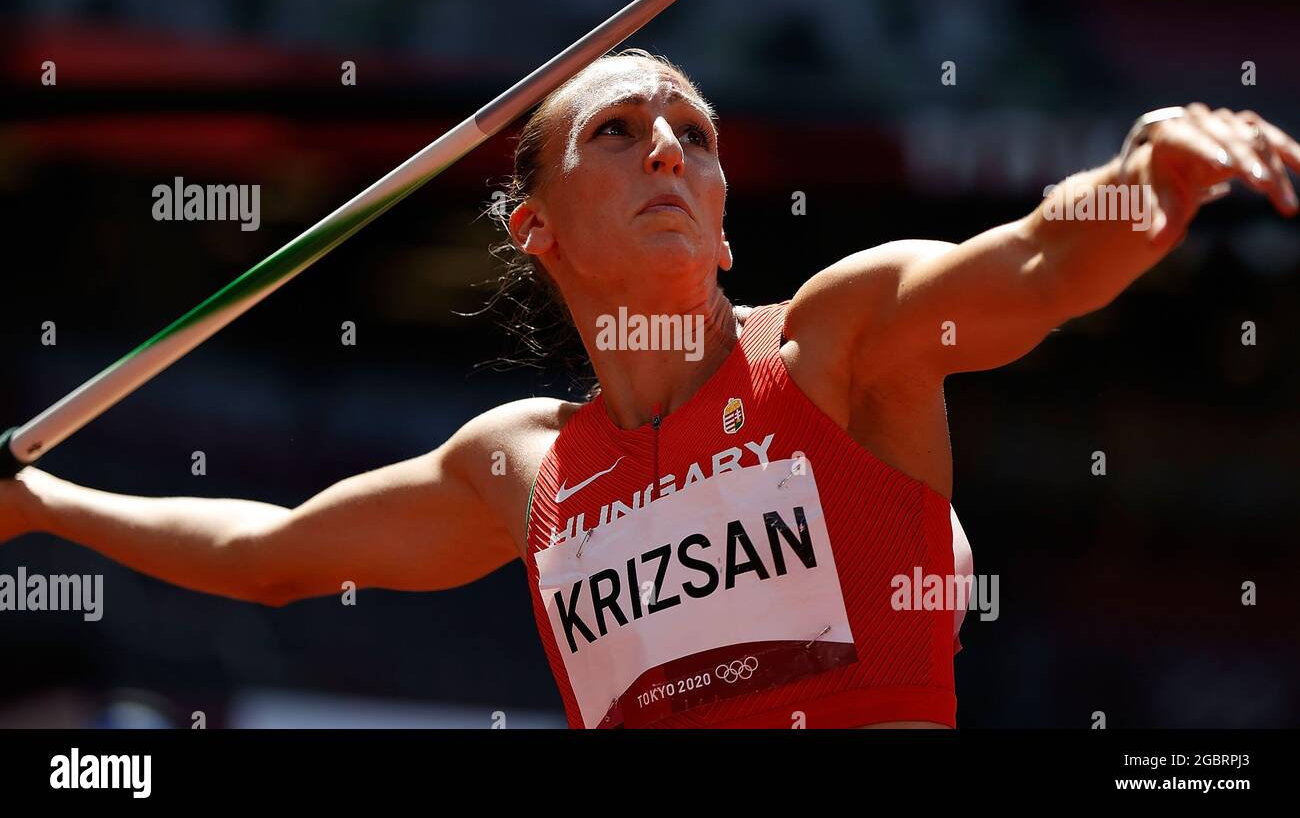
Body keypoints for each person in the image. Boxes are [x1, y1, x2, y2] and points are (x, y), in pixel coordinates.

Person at [2, 49, 1297, 729]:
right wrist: (46, 507)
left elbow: (1041, 262)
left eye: (695, 134)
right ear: (536, 230)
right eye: (616, 133)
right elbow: (273, 553)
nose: (668, 146)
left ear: (729, 223)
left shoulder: (838, 344)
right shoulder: (521, 466)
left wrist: (1148, 178)